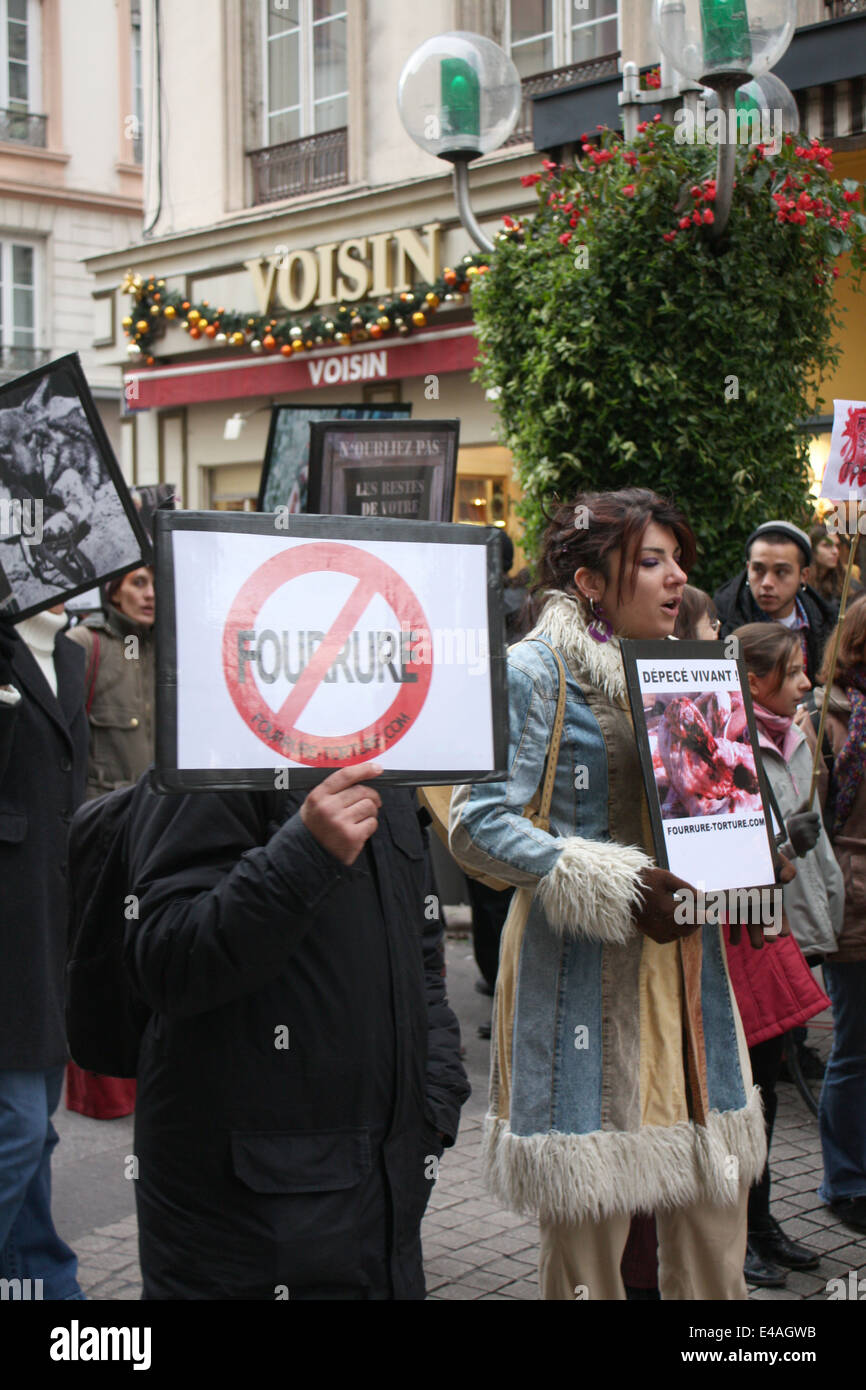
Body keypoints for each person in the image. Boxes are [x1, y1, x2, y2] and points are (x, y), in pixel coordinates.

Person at [449, 487, 772, 1301]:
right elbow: (474, 822)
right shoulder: (533, 670)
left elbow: (712, 816)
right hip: (580, 979)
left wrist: (749, 871)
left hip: (691, 981)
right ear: (591, 582)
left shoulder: (692, 672)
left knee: (714, 1210)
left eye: (679, 562)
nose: (676, 580)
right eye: (652, 561)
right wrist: (613, 882)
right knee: (589, 1234)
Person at [123, 761, 470, 1299]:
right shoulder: (217, 750)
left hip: (382, 1198)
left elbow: (423, 953)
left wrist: (436, 1100)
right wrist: (306, 851)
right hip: (245, 1219)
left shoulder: (386, 762)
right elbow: (166, 961)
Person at [729, 622, 843, 1286]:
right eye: (793, 670)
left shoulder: (794, 736)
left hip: (787, 927)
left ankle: (762, 1219)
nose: (805, 681)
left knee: (768, 1085)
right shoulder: (728, 740)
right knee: (740, 1089)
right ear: (752, 681)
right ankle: (734, 1226)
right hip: (744, 934)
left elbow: (813, 836)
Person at [0, 607, 87, 1300]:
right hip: (8, 923)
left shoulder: (69, 653)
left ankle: (39, 1287)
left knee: (38, 1133)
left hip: (50, 921)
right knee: (19, 1128)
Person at [63, 566, 156, 1121]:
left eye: (154, 583)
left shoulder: (172, 648)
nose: (150, 594)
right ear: (113, 588)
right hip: (104, 836)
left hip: (161, 831)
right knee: (102, 960)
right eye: (139, 583)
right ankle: (101, 1084)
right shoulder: (84, 646)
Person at [796, 594, 866, 1234]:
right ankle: (845, 1178)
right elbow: (809, 812)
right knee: (855, 1045)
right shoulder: (827, 715)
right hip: (855, 896)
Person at [714, 520, 836, 682]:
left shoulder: (827, 623)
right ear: (748, 567)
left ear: (803, 575)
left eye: (781, 572)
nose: (767, 583)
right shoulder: (721, 624)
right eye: (758, 570)